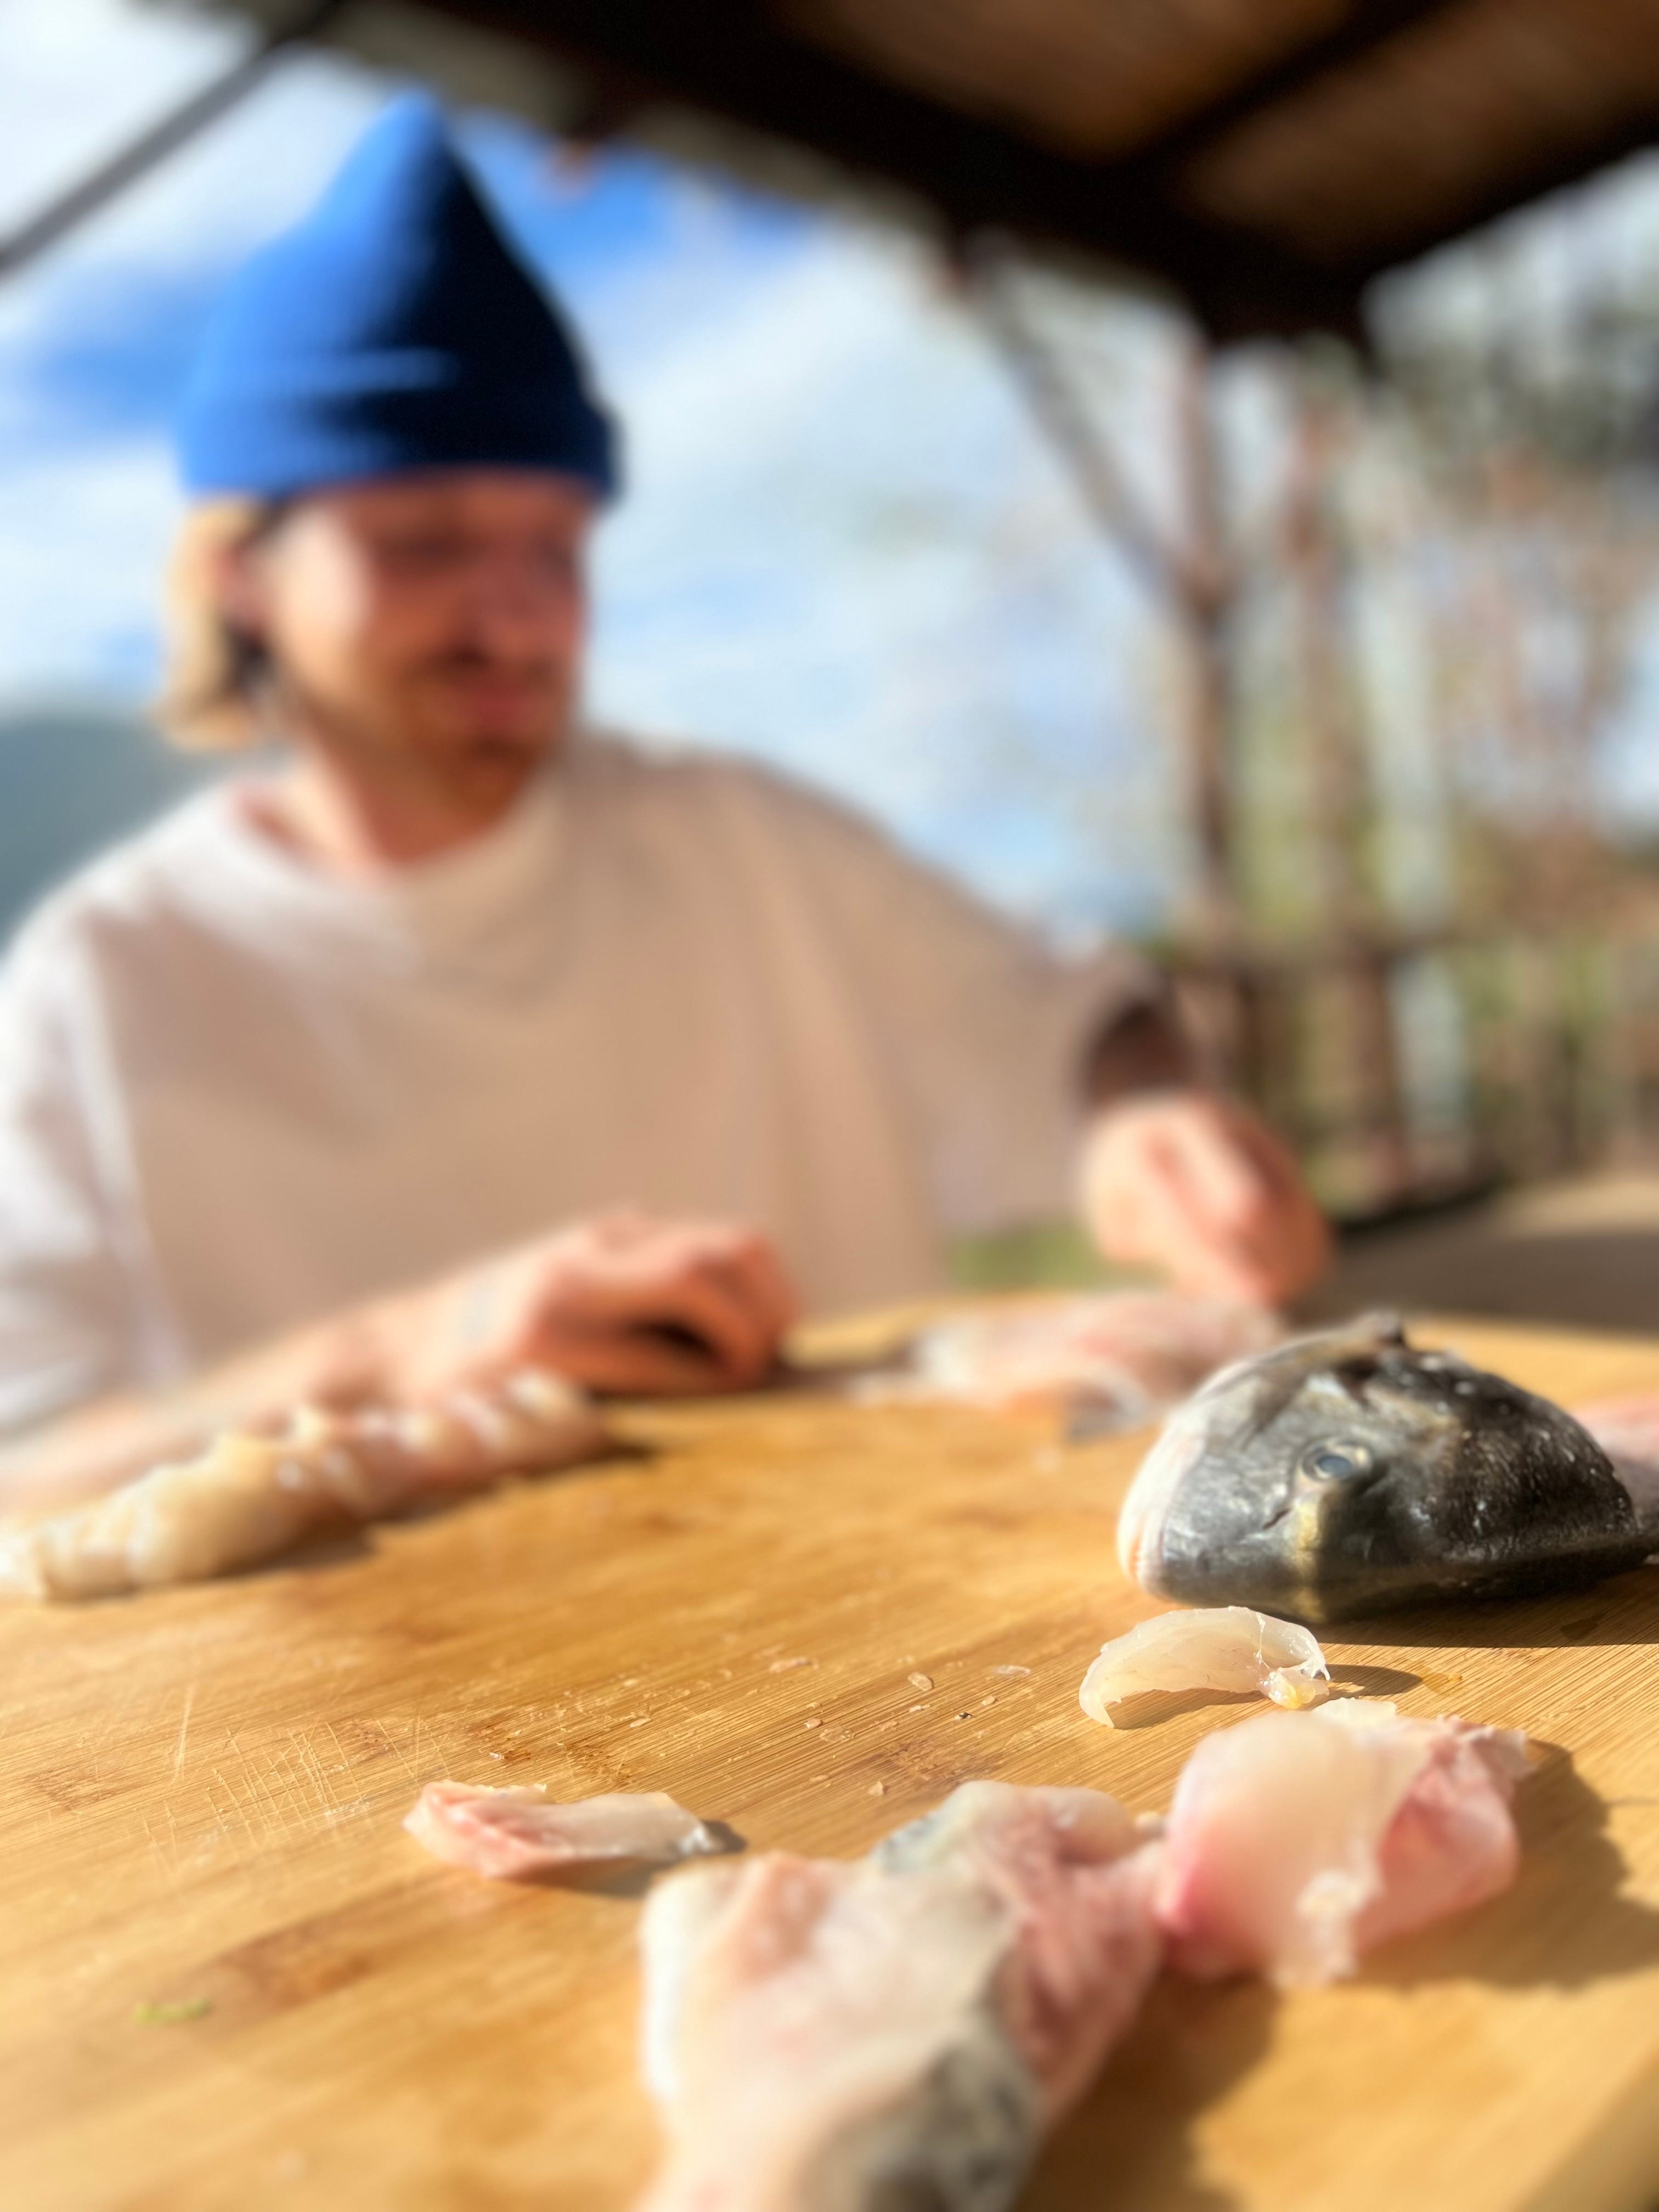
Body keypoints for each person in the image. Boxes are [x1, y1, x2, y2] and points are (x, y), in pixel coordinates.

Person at [0, 96, 1328, 1513]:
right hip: (336, 1719)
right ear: (239, 576)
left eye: (556, 546)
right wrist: (394, 1354)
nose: (516, 617)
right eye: (426, 539)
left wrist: (1140, 1117)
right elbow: (28, 1464)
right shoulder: (106, 979)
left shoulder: (741, 840)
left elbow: (1087, 1019)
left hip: (882, 1649)